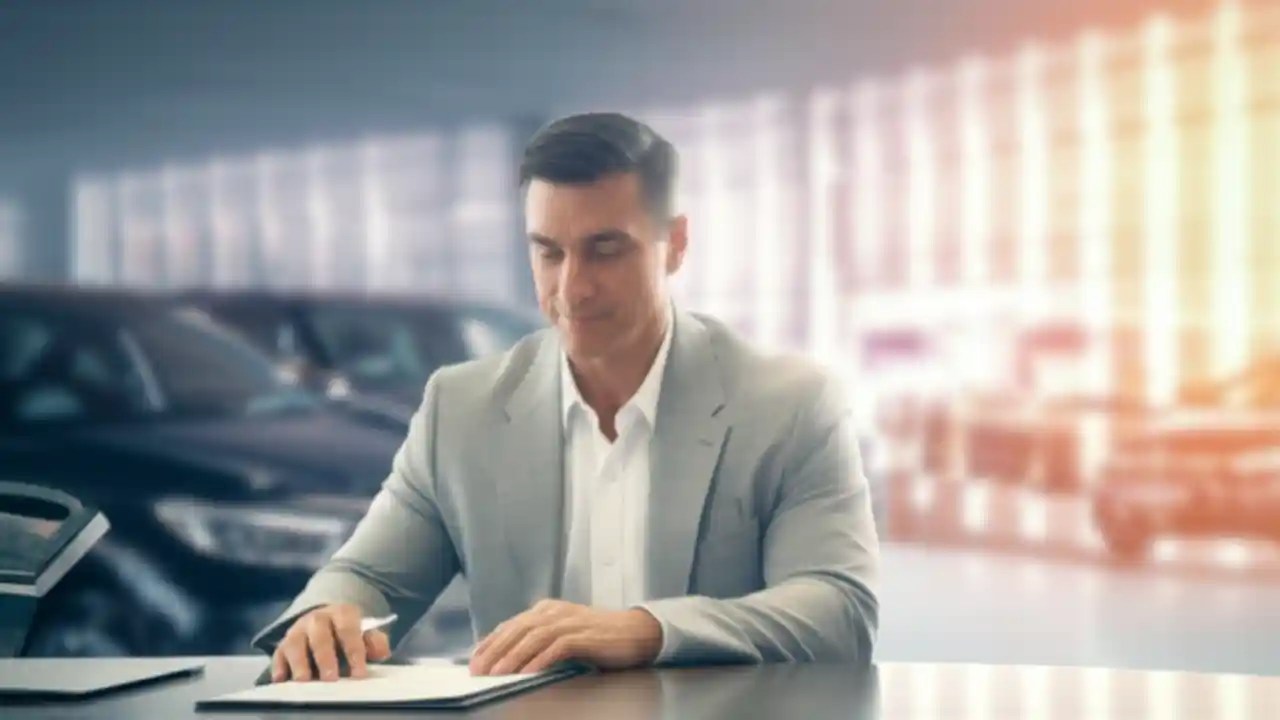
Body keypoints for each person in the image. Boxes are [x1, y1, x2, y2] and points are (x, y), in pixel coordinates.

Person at [254, 112, 880, 681]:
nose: (572, 288)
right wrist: (326, 615)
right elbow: (364, 577)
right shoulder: (460, 408)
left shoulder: (790, 402)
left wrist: (644, 629)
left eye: (606, 249)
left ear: (677, 244)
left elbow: (837, 608)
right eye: (548, 253)